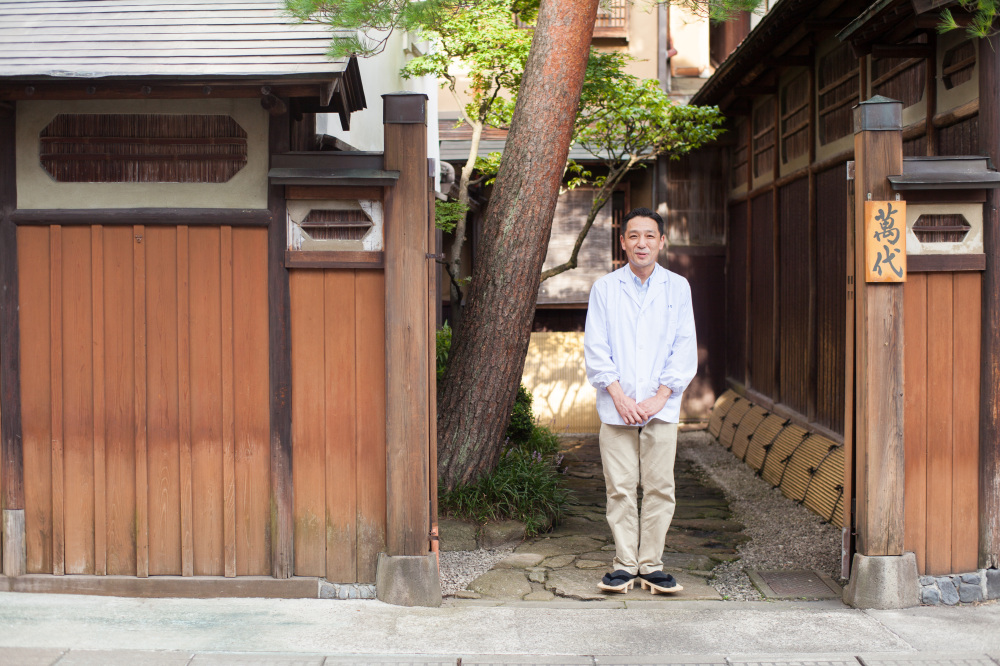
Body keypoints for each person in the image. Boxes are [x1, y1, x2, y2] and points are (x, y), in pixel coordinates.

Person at [583, 207, 698, 594]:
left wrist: (660, 396)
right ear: (623, 242)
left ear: (661, 242)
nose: (642, 243)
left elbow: (684, 346)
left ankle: (650, 565)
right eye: (634, 236)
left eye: (650, 236)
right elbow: (596, 347)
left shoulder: (678, 287)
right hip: (616, 407)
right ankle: (623, 564)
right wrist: (618, 394)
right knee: (620, 486)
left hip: (660, 408)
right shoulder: (604, 288)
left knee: (660, 487)